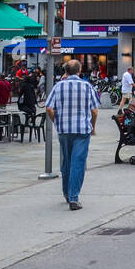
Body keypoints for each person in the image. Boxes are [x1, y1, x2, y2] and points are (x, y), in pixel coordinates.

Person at [44, 60, 98, 210]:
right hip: (81, 130)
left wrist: (57, 121)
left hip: (64, 130)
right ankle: (74, 197)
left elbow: (49, 108)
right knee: (78, 162)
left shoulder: (58, 86)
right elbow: (94, 111)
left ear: (66, 72)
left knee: (66, 162)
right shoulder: (87, 86)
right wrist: (92, 127)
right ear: (79, 71)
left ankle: (66, 193)